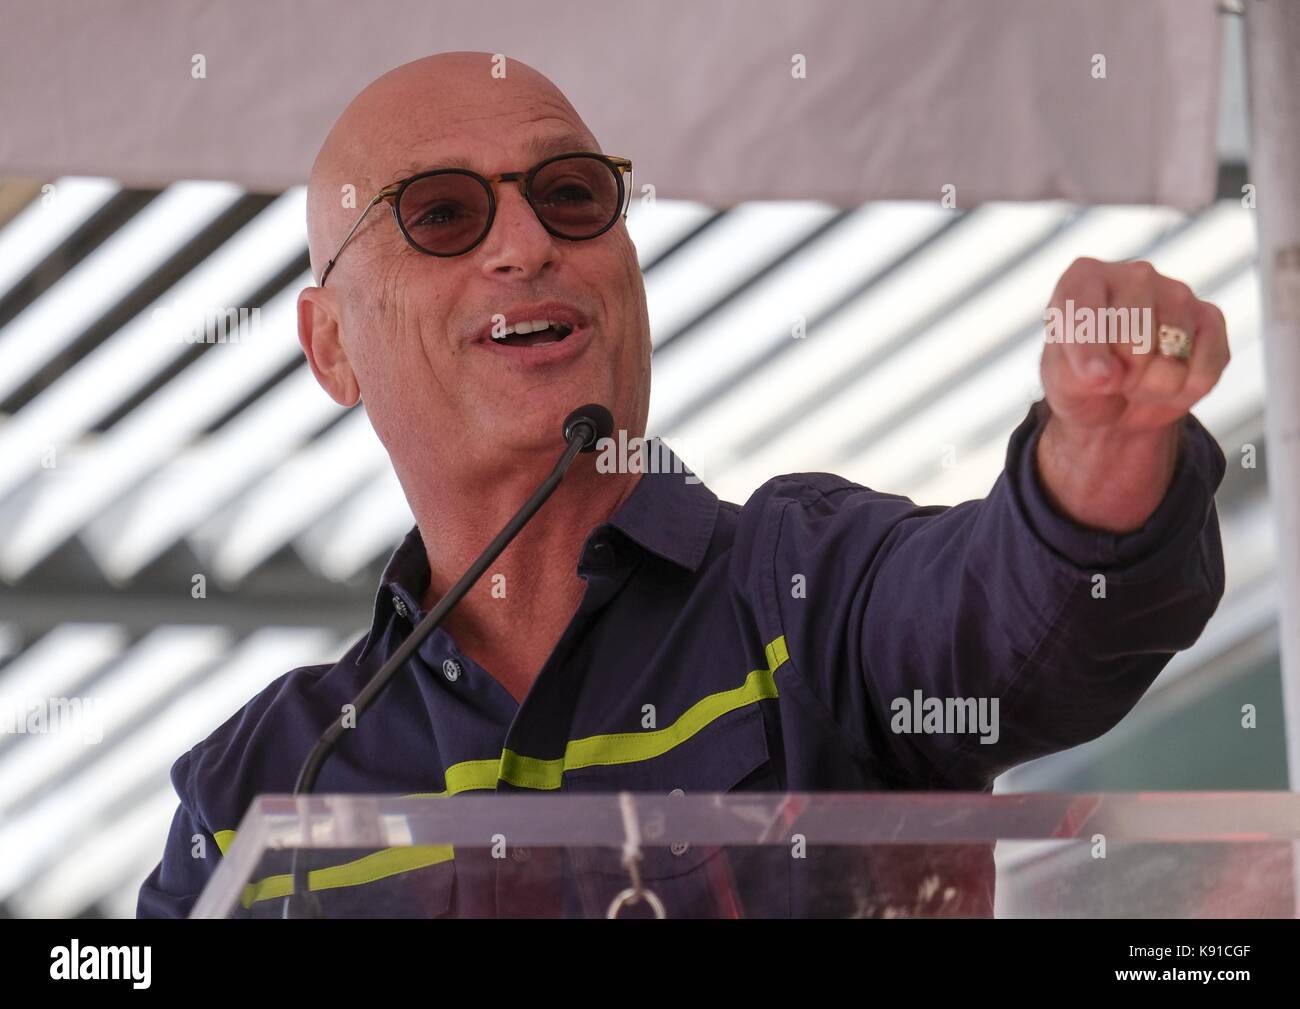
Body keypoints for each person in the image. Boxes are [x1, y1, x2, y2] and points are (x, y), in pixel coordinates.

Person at [137, 51, 1229, 918]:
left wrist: (1099, 451)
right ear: (331, 346)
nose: (526, 243)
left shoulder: (806, 592)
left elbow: (1023, 619)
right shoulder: (256, 795)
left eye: (571, 195)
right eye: (441, 213)